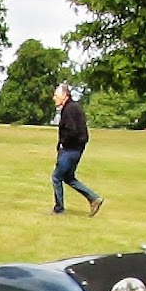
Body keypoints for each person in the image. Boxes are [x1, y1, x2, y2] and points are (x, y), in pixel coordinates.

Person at [51, 83, 103, 217]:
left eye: (56, 95)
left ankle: (59, 209)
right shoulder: (74, 108)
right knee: (68, 177)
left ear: (64, 96)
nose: (53, 98)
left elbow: (72, 130)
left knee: (57, 177)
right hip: (77, 148)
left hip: (70, 149)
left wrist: (63, 144)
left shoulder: (69, 110)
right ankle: (93, 198)